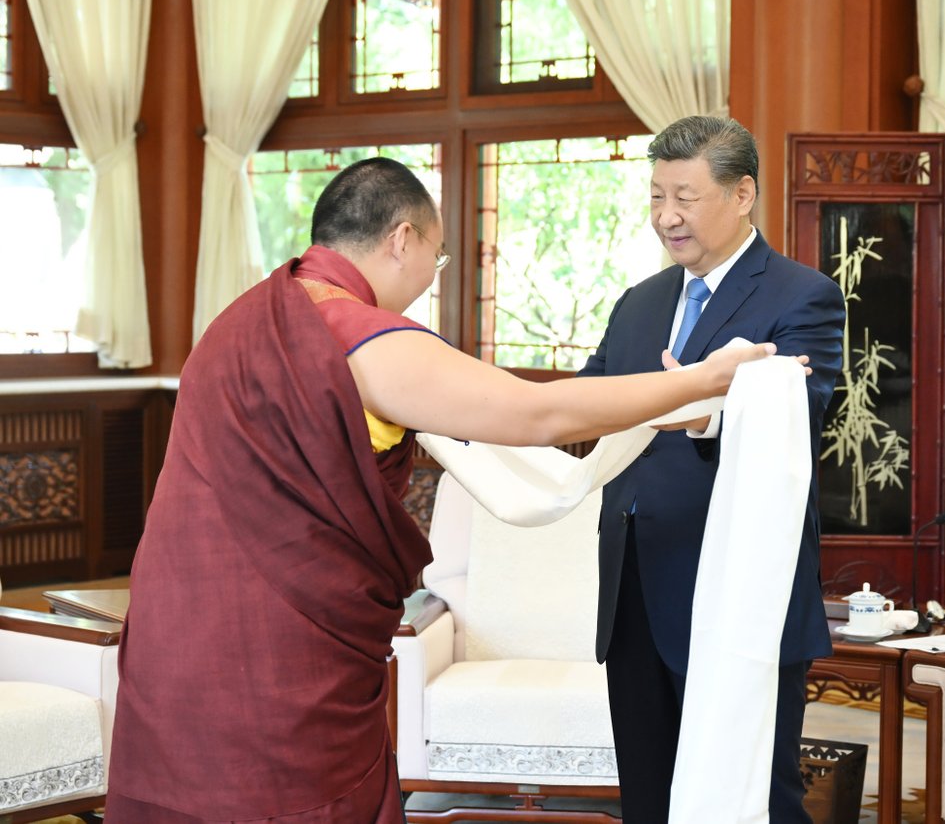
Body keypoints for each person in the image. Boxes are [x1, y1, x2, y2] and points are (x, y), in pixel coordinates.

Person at [105, 156, 777, 823]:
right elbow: (535, 414)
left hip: (173, 618)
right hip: (278, 651)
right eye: (438, 256)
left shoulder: (236, 322)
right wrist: (701, 380)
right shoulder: (360, 335)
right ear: (403, 238)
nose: (432, 277)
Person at [577, 115, 845, 823]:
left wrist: (703, 409)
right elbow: (587, 402)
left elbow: (803, 410)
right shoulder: (638, 303)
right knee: (648, 796)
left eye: (686, 198)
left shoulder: (801, 294)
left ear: (742, 193)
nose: (667, 216)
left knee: (753, 795)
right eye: (657, 195)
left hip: (739, 592)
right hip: (634, 591)